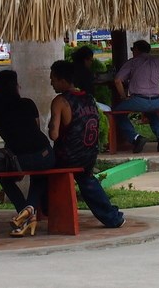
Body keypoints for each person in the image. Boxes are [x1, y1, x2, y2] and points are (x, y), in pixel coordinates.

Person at [48, 60, 125, 228]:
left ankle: (39, 210)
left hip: (67, 156)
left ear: (62, 80)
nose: (51, 83)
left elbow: (53, 135)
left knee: (41, 171)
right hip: (89, 154)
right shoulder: (89, 98)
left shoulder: (60, 101)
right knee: (87, 181)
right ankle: (112, 217)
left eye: (53, 79)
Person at [0, 69, 54, 237]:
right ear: (14, 87)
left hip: (19, 159)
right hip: (43, 153)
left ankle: (25, 213)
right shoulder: (27, 103)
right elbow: (36, 128)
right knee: (40, 175)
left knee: (5, 180)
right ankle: (29, 210)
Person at [112, 40, 159, 153]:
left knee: (117, 113)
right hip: (157, 101)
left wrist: (123, 96)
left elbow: (117, 80)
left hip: (138, 100)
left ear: (136, 50)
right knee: (151, 112)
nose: (132, 52)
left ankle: (136, 138)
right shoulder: (158, 61)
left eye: (132, 49)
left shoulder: (132, 62)